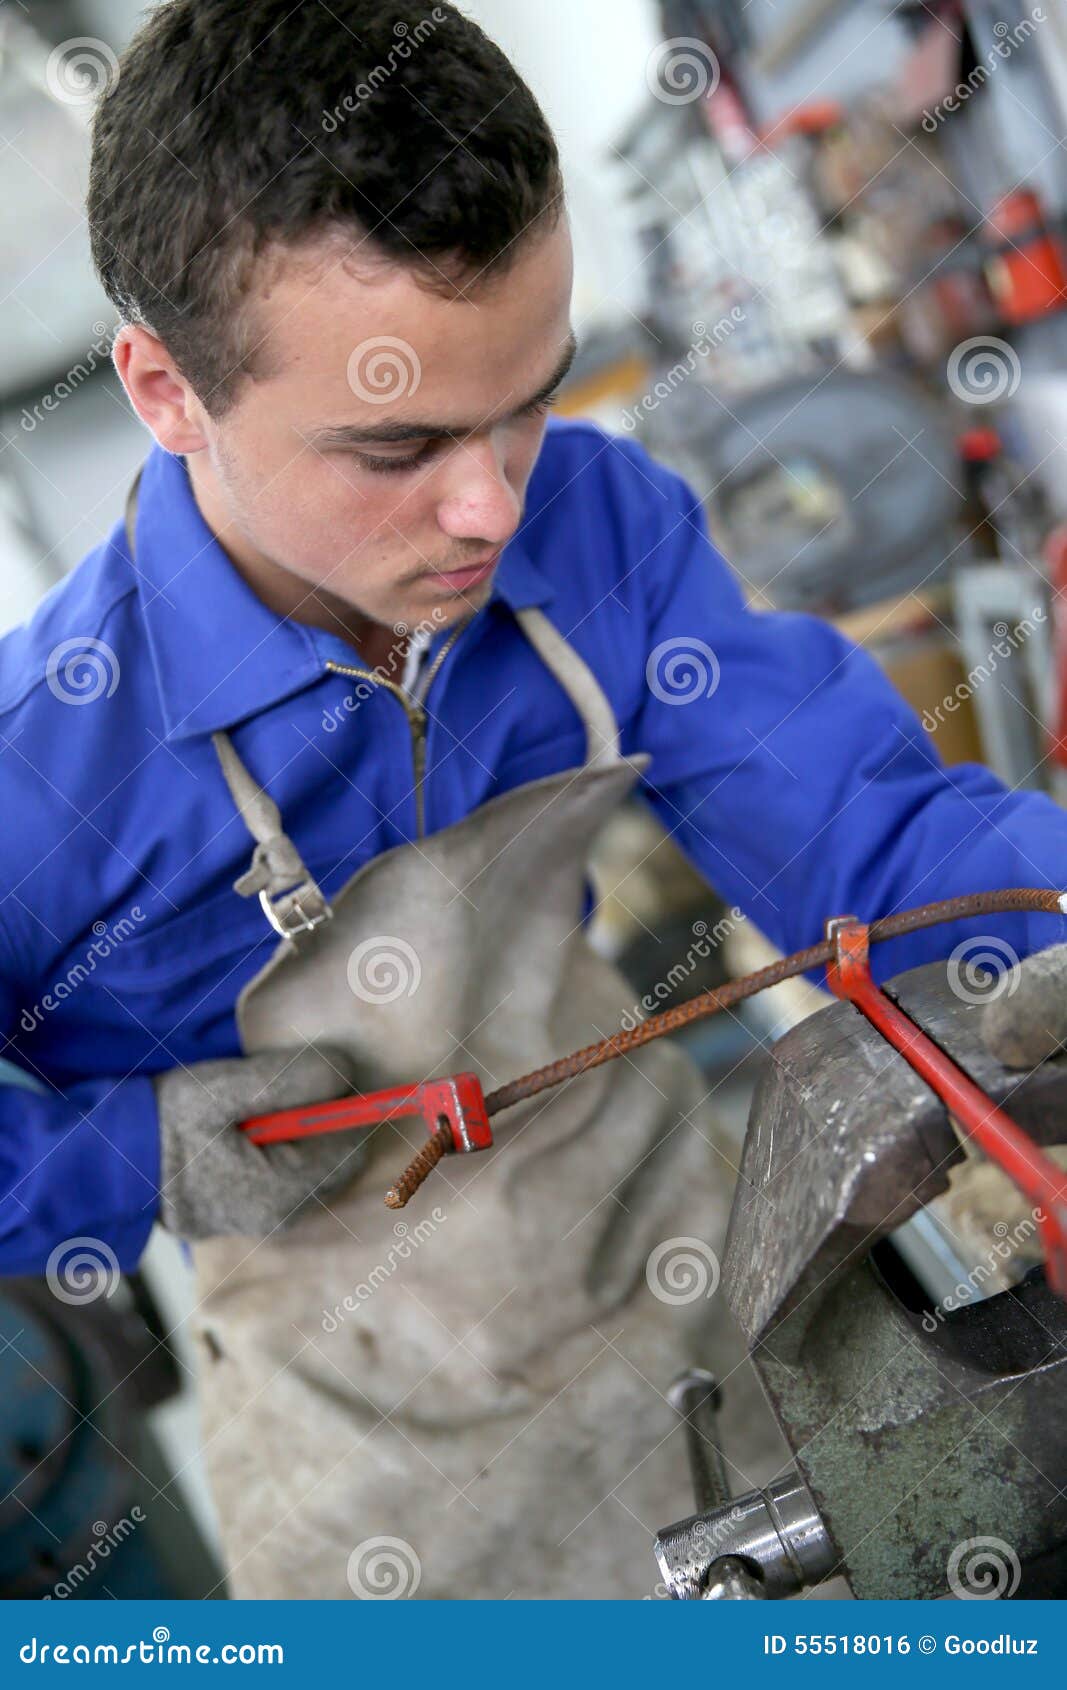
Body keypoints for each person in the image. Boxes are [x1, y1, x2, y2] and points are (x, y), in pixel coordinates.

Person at [1, 0, 1065, 1599]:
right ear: (163, 389)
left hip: (716, 1301)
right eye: (399, 444)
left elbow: (871, 839)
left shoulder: (599, 524)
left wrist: (1045, 932)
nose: (491, 504)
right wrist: (128, 1153)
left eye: (527, 401)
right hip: (387, 1472)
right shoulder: (37, 774)